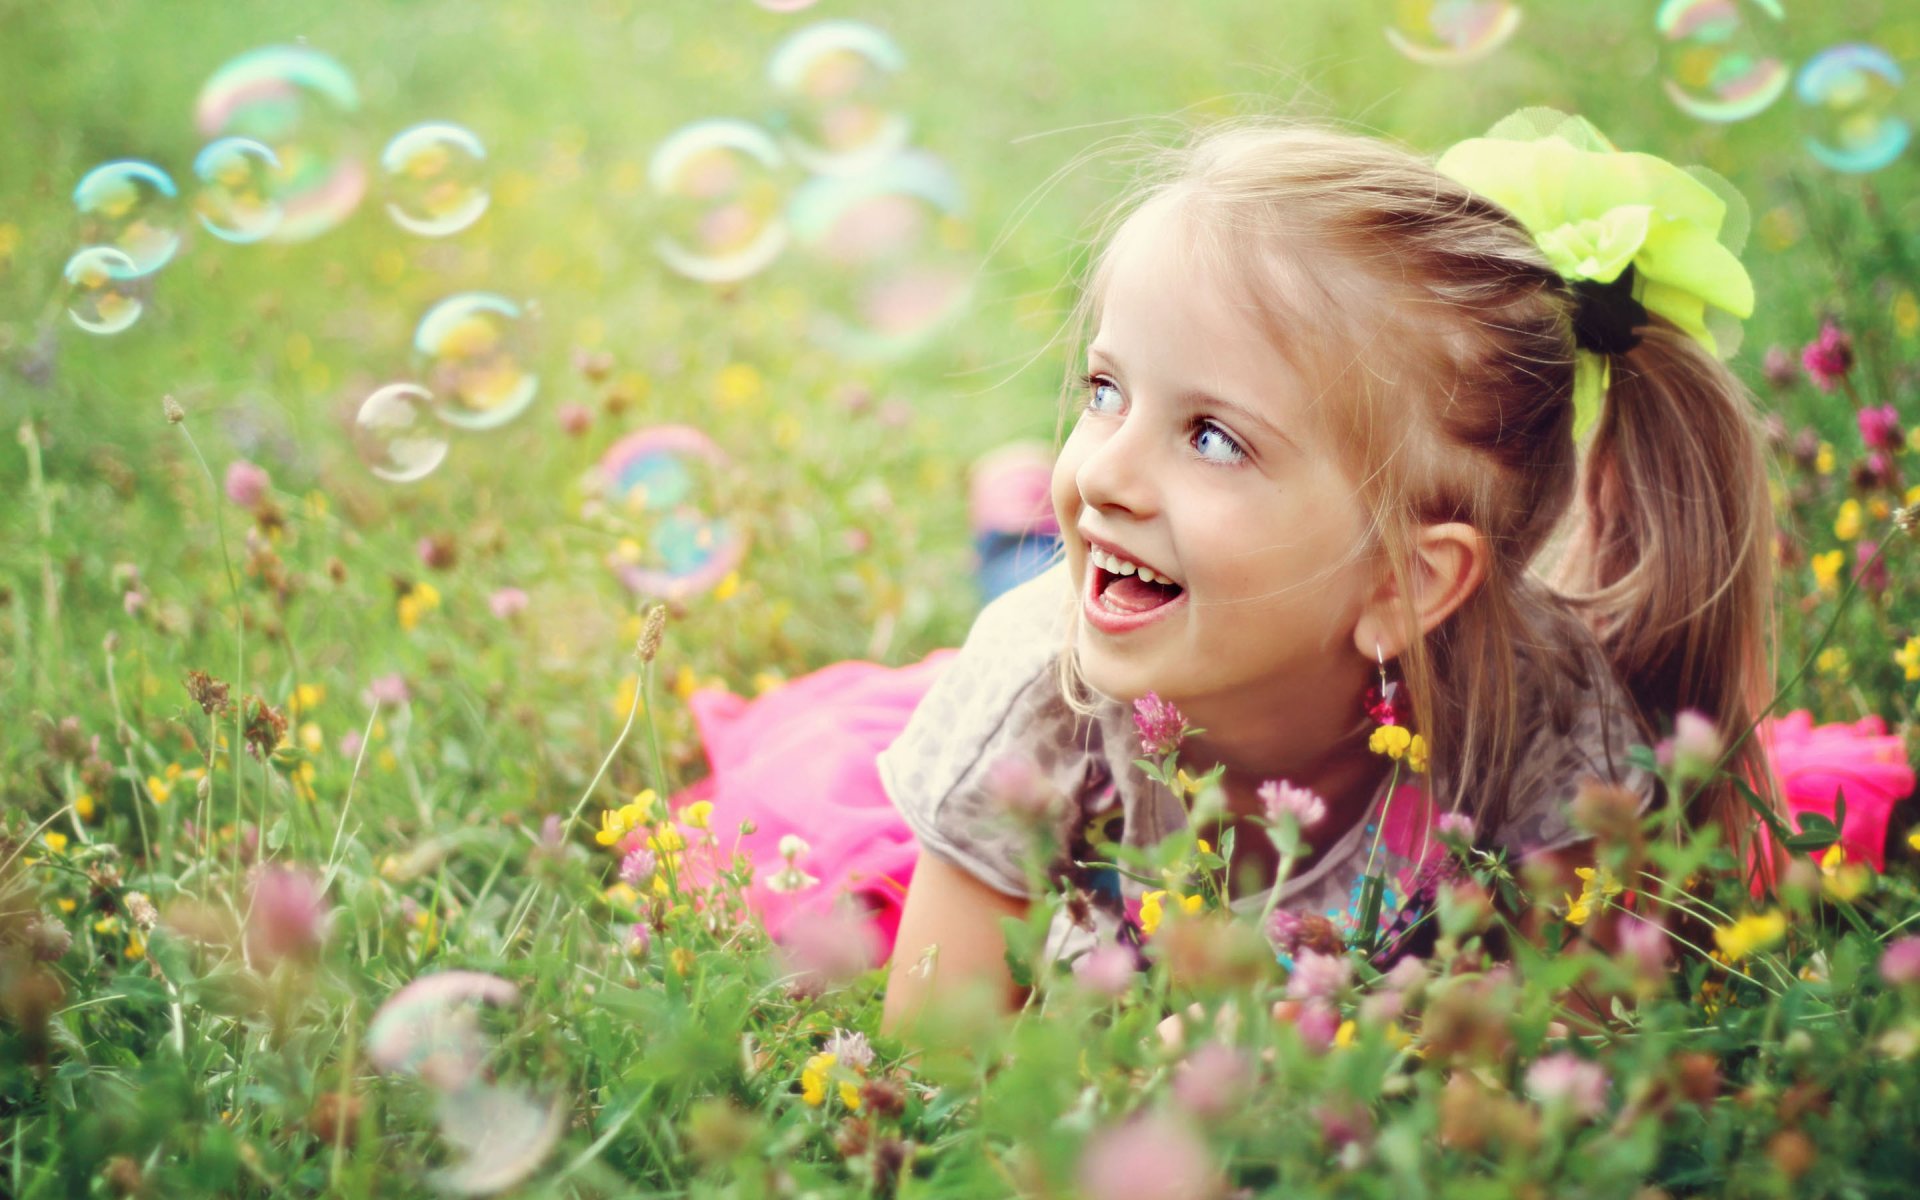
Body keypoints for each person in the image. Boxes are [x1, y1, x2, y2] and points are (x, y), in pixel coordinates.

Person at [663, 113, 1900, 1034]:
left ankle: (1010, 529)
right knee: (1030, 580)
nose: (1107, 468)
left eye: (1213, 436)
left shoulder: (1541, 718)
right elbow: (935, 1058)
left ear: (1409, 586)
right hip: (1084, 624)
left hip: (1174, 611)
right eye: (1105, 392)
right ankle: (1004, 533)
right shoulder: (1033, 698)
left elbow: (1562, 1050)